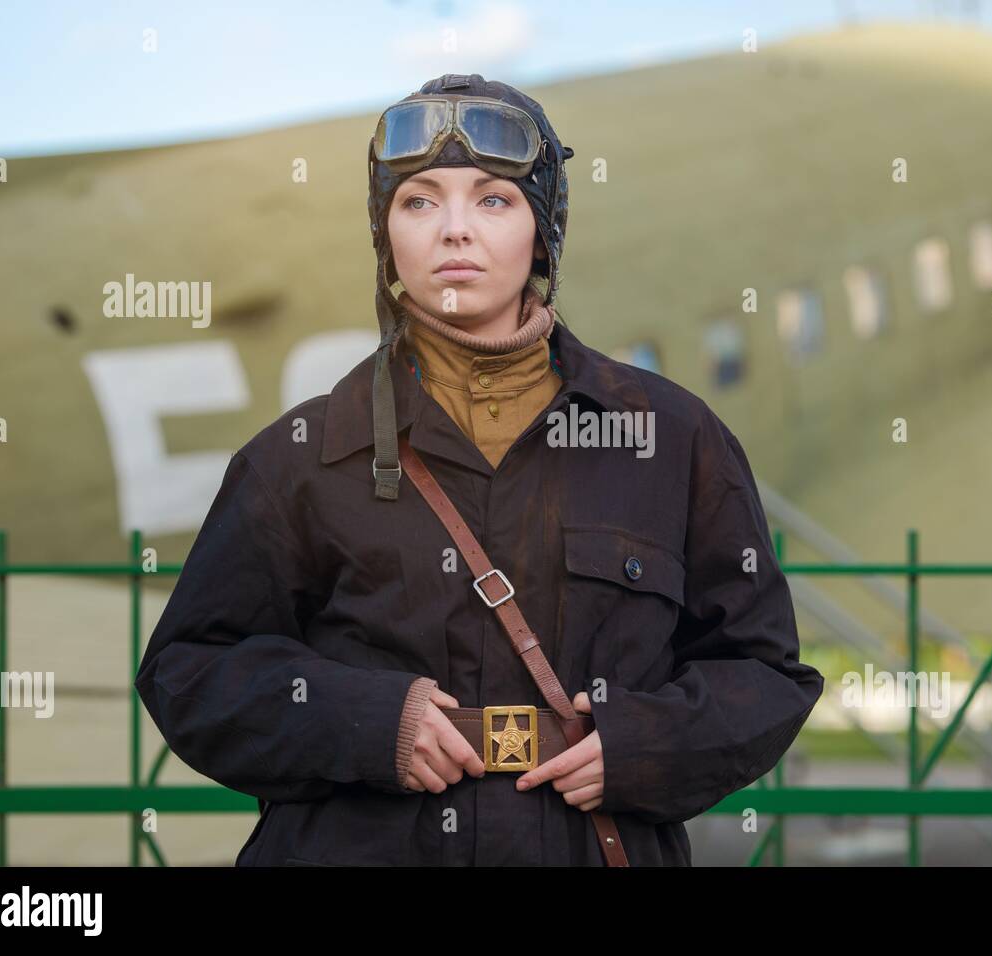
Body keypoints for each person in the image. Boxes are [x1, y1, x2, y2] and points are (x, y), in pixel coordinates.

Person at [135, 72, 825, 866]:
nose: (452, 231)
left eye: (493, 201)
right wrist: (366, 721)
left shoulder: (670, 438)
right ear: (386, 233)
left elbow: (765, 671)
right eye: (418, 201)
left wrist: (641, 747)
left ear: (543, 229)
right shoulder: (297, 458)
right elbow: (189, 672)